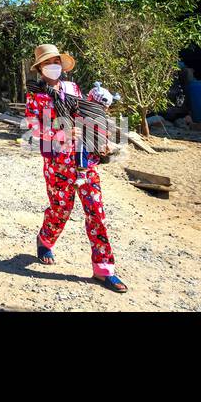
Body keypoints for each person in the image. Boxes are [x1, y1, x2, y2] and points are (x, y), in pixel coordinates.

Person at [24, 43, 127, 294]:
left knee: (96, 211)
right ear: (40, 68)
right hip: (57, 164)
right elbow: (33, 130)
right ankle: (45, 239)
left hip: (84, 161)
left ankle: (104, 269)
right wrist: (59, 132)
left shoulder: (73, 89)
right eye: (48, 63)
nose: (53, 66)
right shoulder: (35, 97)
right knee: (61, 209)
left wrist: (99, 140)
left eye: (56, 61)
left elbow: (85, 117)